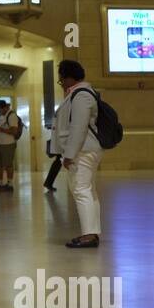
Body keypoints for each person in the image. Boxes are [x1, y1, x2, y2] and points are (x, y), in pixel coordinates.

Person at [52, 60, 103, 249]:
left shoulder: (81, 96)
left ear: (69, 77)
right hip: (85, 149)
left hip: (82, 151)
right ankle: (92, 232)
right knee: (88, 190)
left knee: (81, 190)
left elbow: (78, 127)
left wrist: (69, 154)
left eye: (62, 80)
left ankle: (89, 235)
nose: (62, 84)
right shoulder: (78, 94)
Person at [0, 99, 20, 192]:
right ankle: (0, 183)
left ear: (4, 107)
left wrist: (0, 129)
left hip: (8, 144)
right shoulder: (1, 115)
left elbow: (14, 131)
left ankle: (10, 184)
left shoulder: (12, 116)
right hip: (0, 143)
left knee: (8, 165)